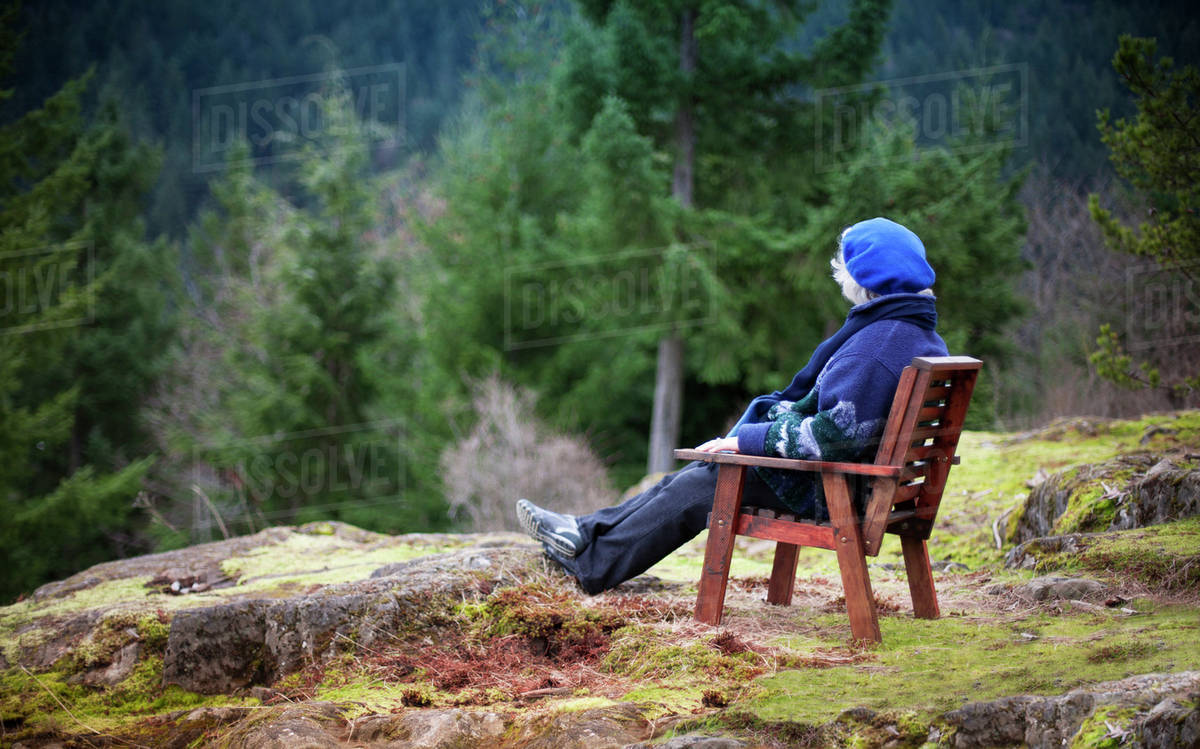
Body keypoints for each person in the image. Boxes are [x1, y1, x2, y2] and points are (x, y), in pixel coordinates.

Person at [516, 217, 949, 595]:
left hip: (838, 490)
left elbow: (829, 439)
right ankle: (586, 531)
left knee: (701, 485)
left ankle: (590, 565)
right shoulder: (916, 334)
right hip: (867, 486)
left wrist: (747, 439)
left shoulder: (875, 347)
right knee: (704, 470)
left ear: (863, 281)